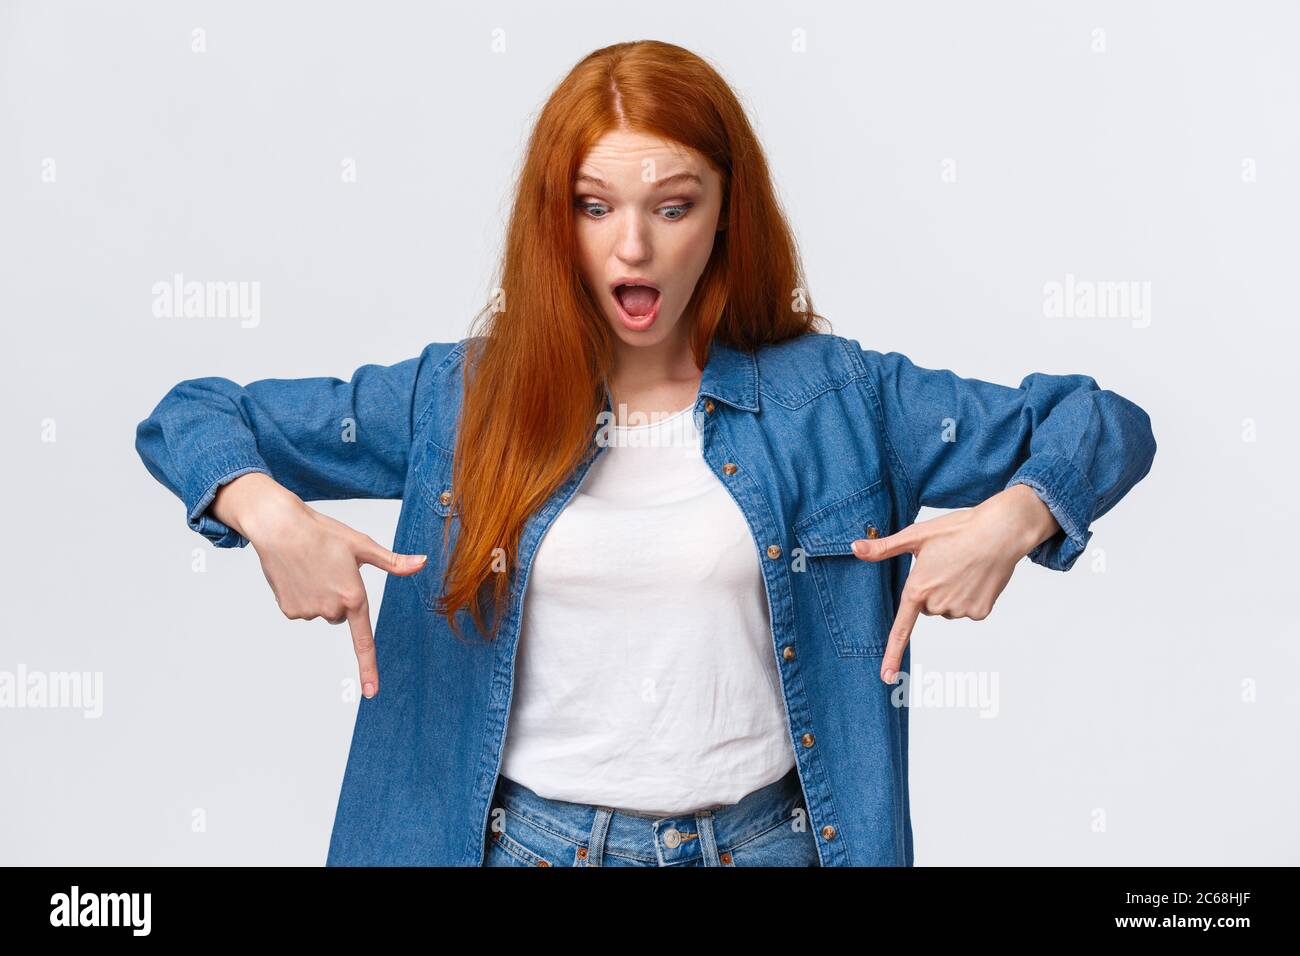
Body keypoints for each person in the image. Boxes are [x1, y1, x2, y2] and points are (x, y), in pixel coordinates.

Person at [135, 40, 1157, 867]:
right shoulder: (459, 396)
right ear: (555, 220)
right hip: (522, 847)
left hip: (768, 846)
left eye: (673, 206)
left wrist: (1016, 519)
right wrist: (265, 511)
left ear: (724, 214)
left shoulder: (839, 396)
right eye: (594, 206)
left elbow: (1099, 420)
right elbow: (195, 412)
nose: (633, 247)